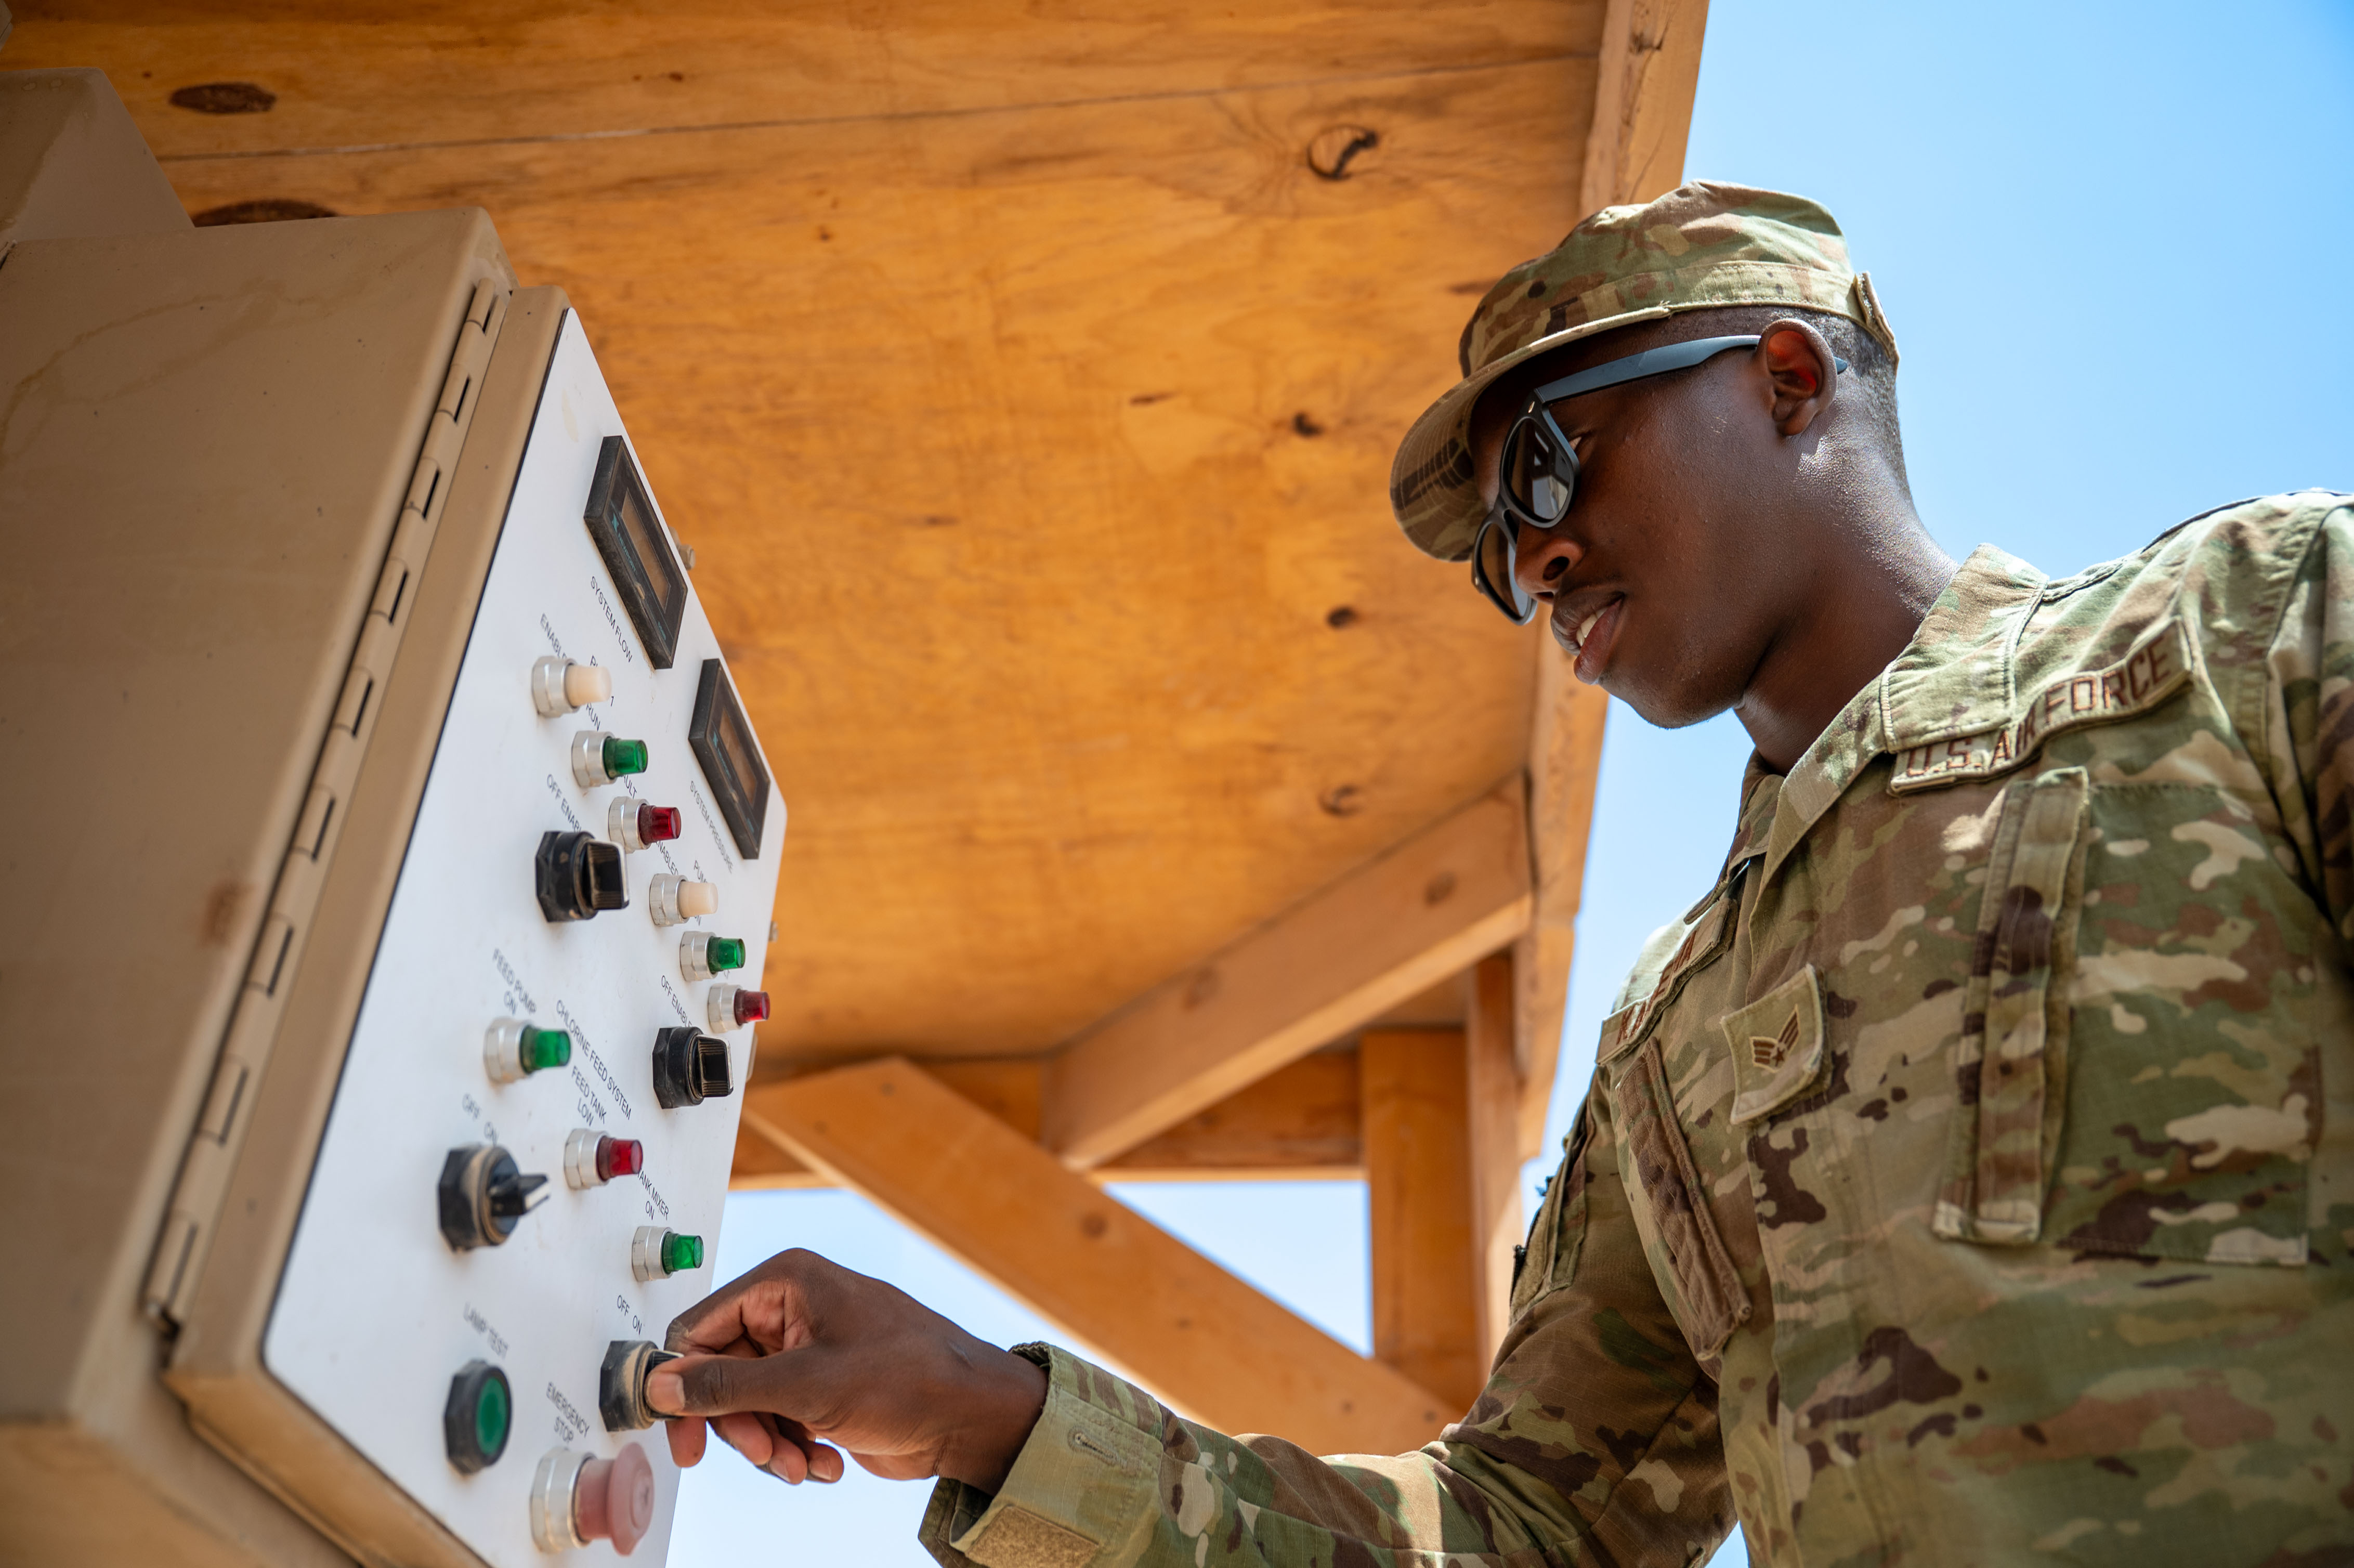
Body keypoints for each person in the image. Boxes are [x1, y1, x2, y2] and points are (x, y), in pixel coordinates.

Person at [646, 184, 2354, 1565]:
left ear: (1785, 378)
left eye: (1550, 460)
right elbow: (1519, 1536)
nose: (1534, 560)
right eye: (1495, 556)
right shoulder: (1674, 1043)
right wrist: (984, 1415)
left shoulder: (2252, 630)